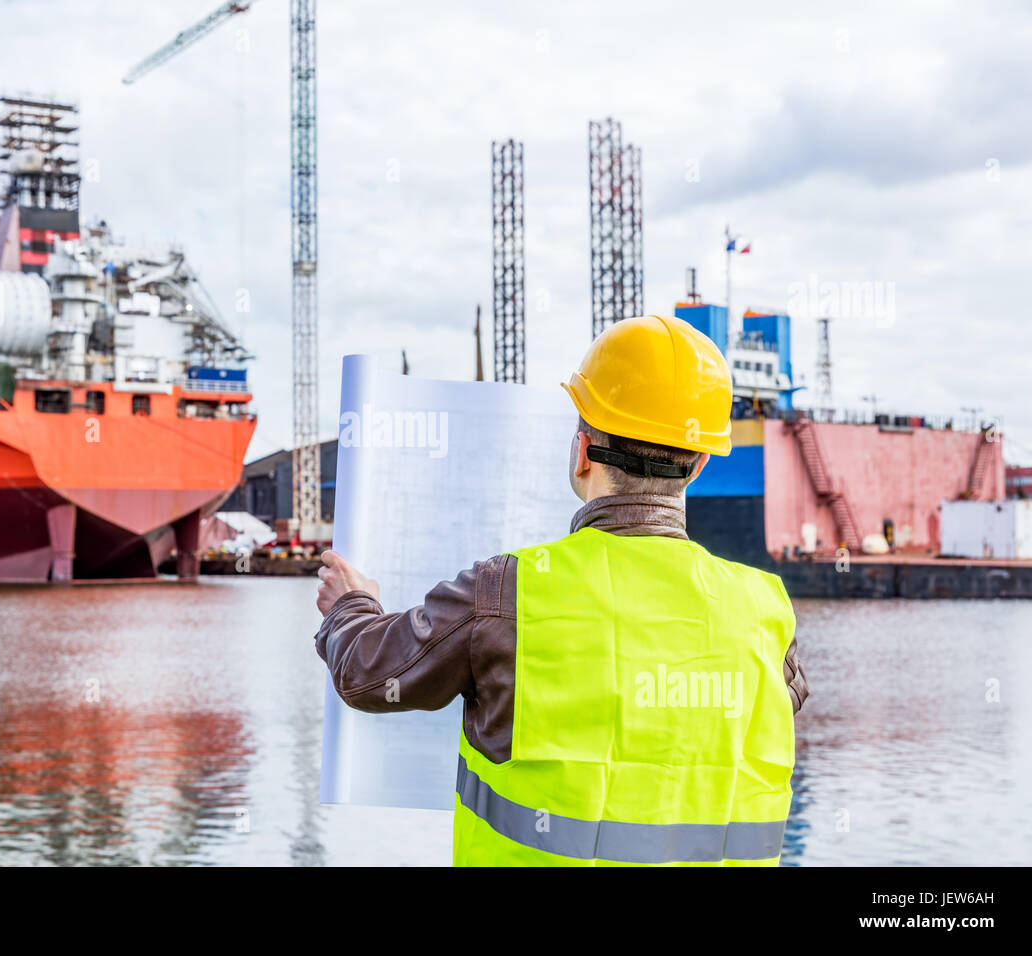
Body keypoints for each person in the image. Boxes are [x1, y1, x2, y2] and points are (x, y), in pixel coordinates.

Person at [315, 315, 808, 866]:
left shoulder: (506, 591)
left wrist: (348, 606)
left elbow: (368, 673)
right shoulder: (766, 613)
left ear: (582, 452)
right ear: (696, 466)